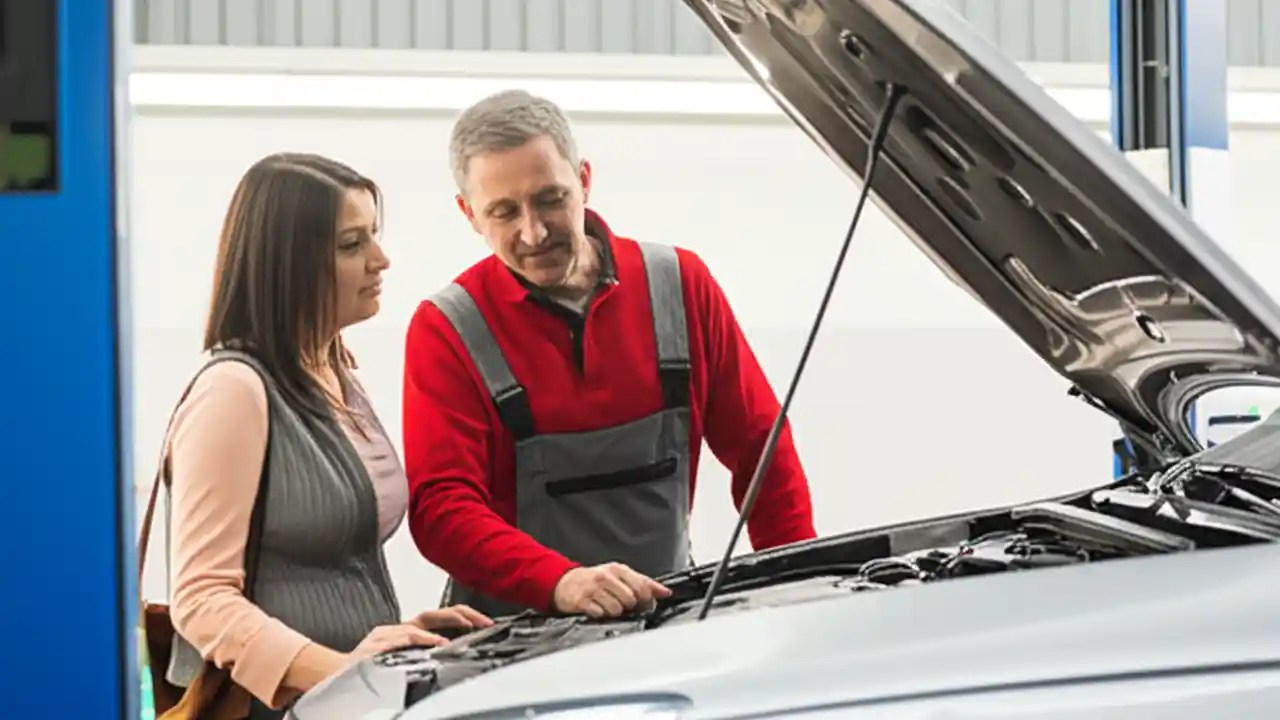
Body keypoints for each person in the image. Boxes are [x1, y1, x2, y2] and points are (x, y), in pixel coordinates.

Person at [401, 90, 818, 621]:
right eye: (504, 212)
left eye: (550, 198)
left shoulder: (680, 287)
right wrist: (560, 582)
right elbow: (442, 512)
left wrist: (799, 591)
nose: (534, 232)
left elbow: (762, 450)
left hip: (660, 624)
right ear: (469, 214)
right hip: (510, 645)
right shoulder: (447, 328)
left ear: (585, 180)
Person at [156, 152, 493, 719]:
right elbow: (201, 599)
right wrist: (342, 669)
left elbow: (332, 574)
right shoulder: (234, 392)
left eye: (374, 236)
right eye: (351, 245)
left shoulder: (337, 373)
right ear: (289, 263)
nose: (381, 260)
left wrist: (394, 640)